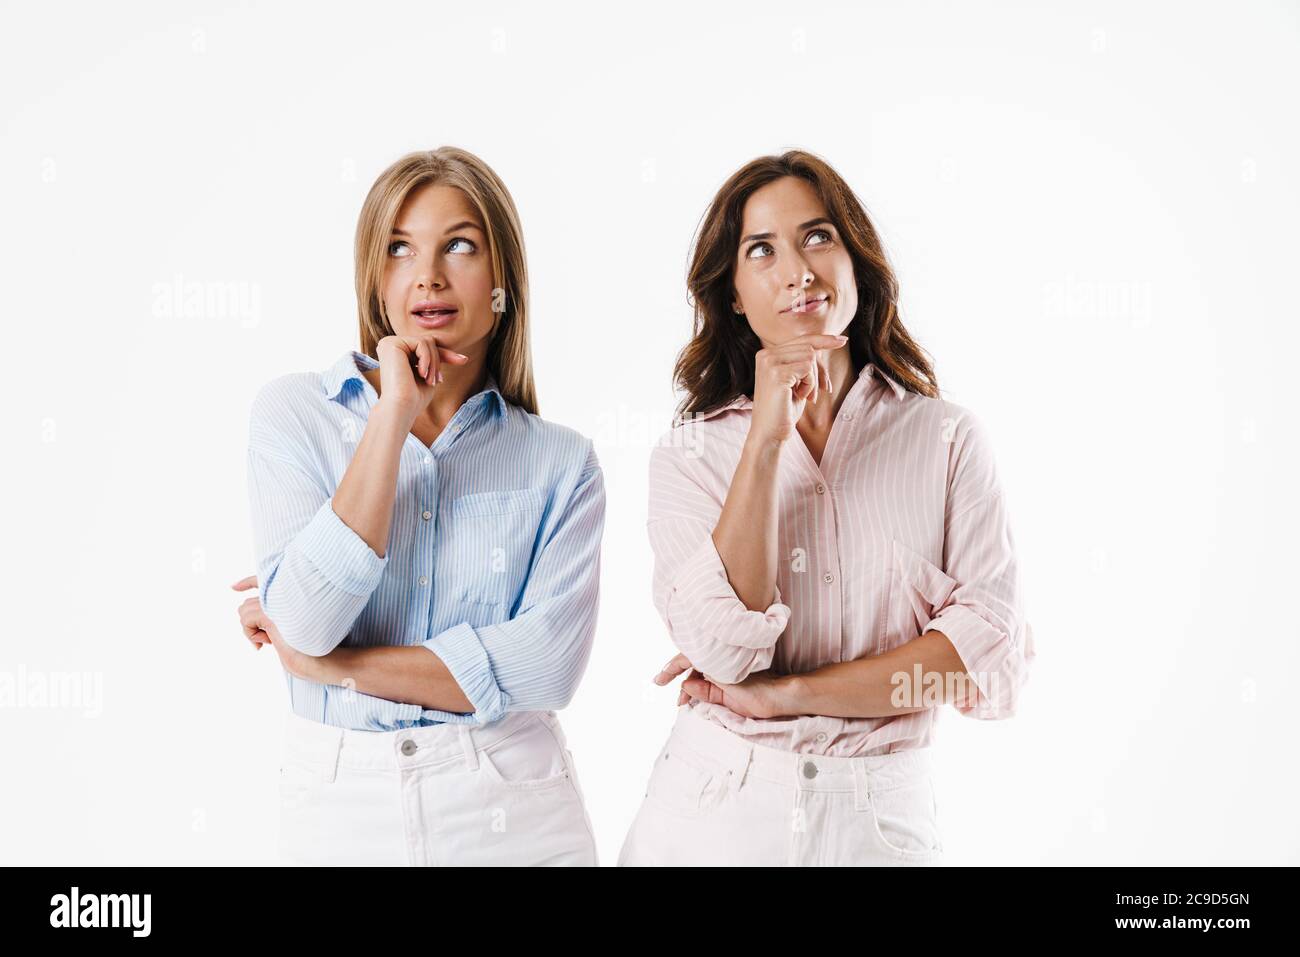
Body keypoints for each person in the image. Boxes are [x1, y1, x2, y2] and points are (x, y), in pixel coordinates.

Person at [618, 150, 1035, 866]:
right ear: (735, 297)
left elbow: (983, 662)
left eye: (818, 236)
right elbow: (724, 649)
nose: (797, 270)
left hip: (881, 822)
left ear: (856, 263)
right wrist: (764, 443)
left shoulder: (947, 440)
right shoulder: (688, 455)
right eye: (761, 250)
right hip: (713, 811)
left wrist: (791, 694)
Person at [232, 147, 602, 866]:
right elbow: (308, 619)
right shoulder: (293, 414)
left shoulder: (562, 461)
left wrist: (331, 666)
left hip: (512, 805)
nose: (428, 275)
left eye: (459, 245)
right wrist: (392, 412)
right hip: (340, 805)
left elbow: (549, 667)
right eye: (399, 248)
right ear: (375, 276)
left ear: (503, 280)